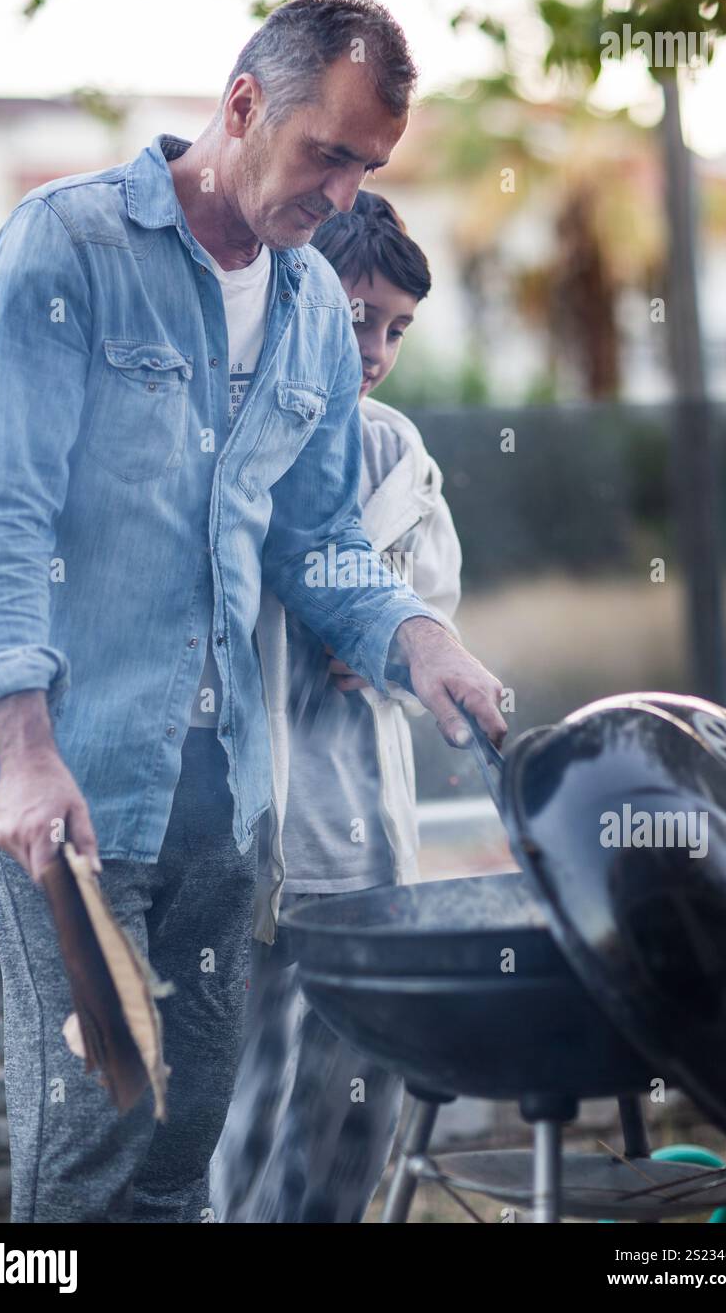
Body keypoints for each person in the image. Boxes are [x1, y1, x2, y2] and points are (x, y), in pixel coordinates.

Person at [0, 0, 507, 1223]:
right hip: (67, 788)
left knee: (186, 1135)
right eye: (328, 154)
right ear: (243, 105)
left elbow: (321, 543)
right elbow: (6, 520)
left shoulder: (307, 308)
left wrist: (421, 642)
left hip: (223, 801)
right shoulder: (63, 251)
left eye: (371, 167)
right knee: (92, 1127)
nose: (346, 194)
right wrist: (22, 756)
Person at [209, 191, 460, 1222]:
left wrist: (390, 645)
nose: (376, 346)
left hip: (367, 841)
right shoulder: (242, 435)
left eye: (397, 326)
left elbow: (432, 606)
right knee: (256, 1097)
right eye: (360, 316)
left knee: (362, 1095)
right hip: (269, 844)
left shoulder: (398, 452)